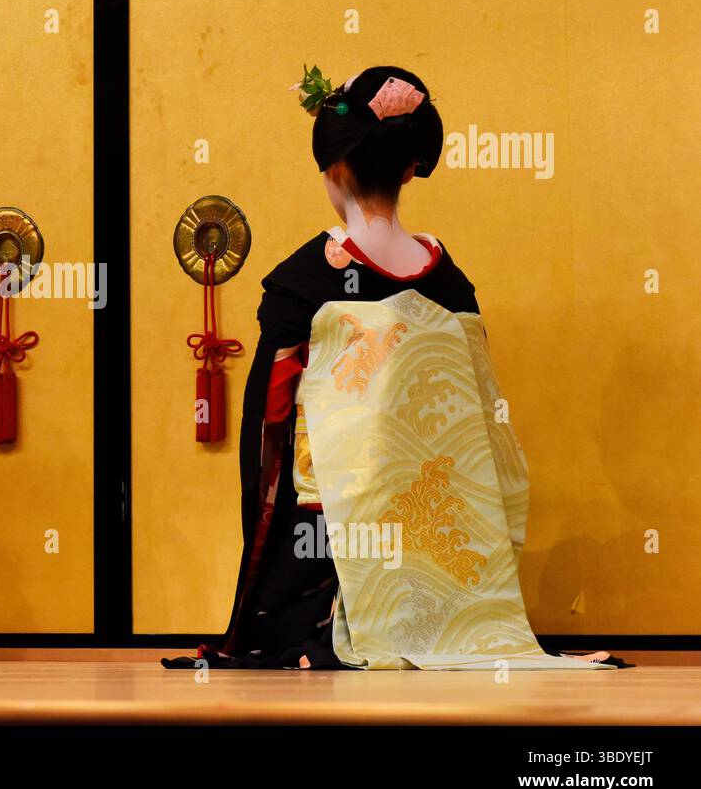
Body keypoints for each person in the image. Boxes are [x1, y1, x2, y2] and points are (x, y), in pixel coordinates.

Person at [165, 67, 620, 671]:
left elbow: (270, 426)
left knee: (296, 503)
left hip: (333, 528)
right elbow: (481, 418)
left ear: (333, 168)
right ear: (410, 169)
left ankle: (325, 625)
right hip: (440, 524)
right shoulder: (450, 281)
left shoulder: (304, 281)